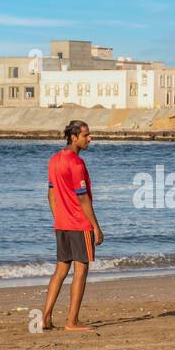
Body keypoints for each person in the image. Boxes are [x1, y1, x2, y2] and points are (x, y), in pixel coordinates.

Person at [42, 120, 103, 330]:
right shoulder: (76, 163)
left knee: (60, 270)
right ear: (73, 137)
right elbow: (83, 198)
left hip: (62, 224)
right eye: (86, 135)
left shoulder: (54, 160)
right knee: (81, 270)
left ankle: (46, 317)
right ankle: (72, 321)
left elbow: (51, 194)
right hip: (79, 223)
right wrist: (96, 226)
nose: (90, 139)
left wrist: (58, 216)